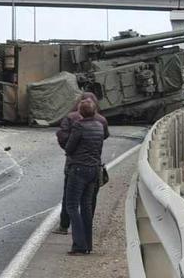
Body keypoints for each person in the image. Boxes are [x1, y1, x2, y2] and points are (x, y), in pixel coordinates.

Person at [55, 93, 109, 236]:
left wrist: (70, 150)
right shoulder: (101, 121)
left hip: (74, 163)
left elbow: (64, 139)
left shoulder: (71, 118)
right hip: (94, 163)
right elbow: (105, 136)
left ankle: (64, 226)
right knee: (90, 199)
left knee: (69, 196)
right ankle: (87, 227)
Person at [64, 99, 105, 255]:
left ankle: (79, 245)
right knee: (86, 206)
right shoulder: (99, 126)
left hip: (79, 168)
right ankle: (88, 244)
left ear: (80, 112)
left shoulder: (79, 126)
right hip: (94, 169)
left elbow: (69, 147)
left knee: (72, 206)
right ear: (94, 111)